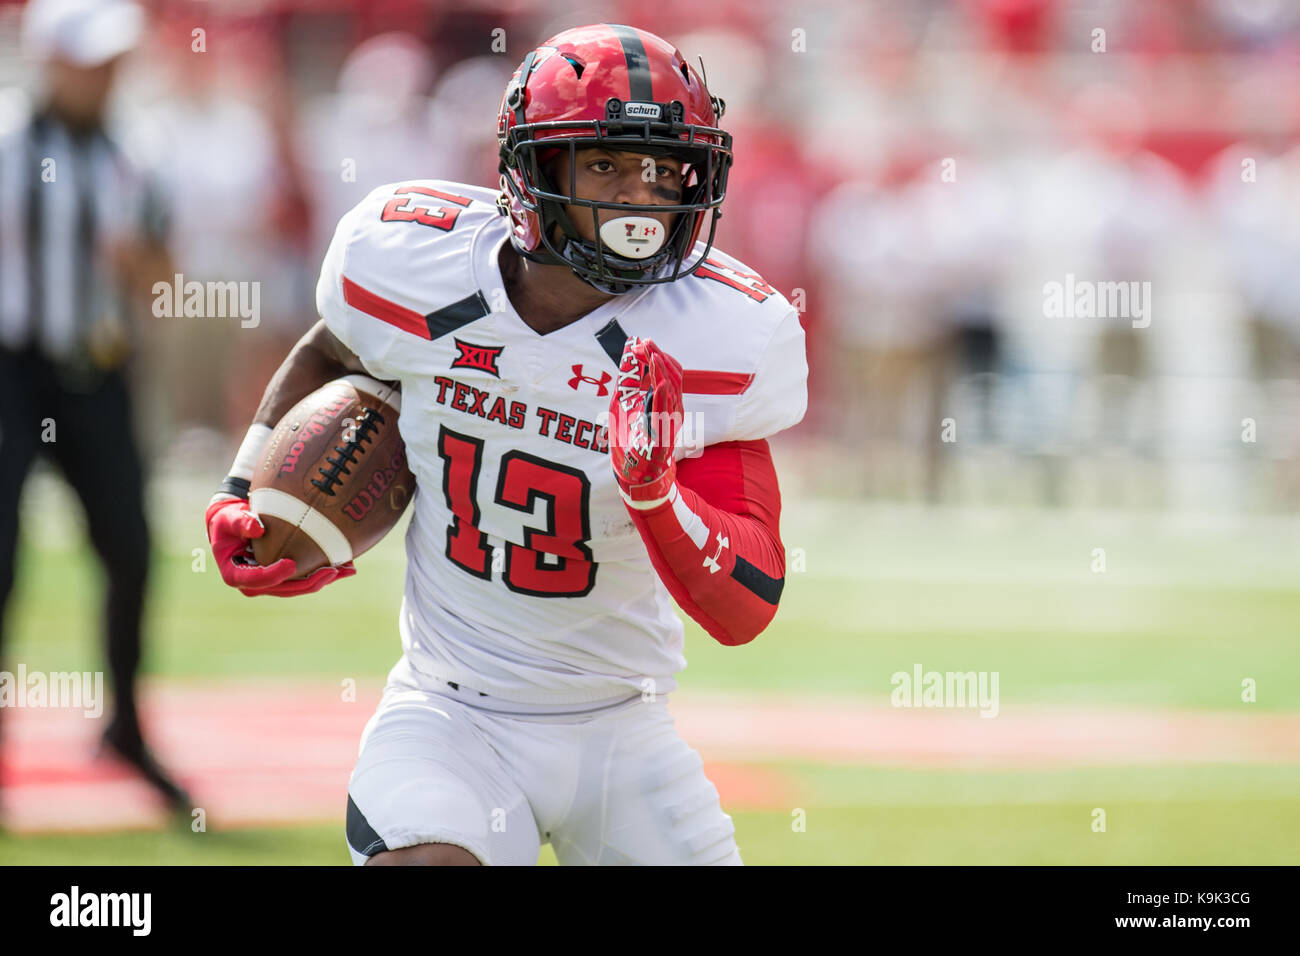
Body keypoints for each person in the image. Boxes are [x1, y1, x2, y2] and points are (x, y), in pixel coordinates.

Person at [205, 23, 806, 865]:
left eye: (664, 169)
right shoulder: (414, 261)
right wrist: (245, 487)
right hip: (452, 713)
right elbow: (336, 346)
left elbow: (748, 604)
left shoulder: (722, 338)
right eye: (608, 164)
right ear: (534, 172)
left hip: (621, 728)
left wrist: (655, 492)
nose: (643, 196)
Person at [0, 0, 189, 810]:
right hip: (9, 370)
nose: (105, 75)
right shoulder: (7, 144)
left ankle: (125, 724)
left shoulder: (133, 152)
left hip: (97, 369)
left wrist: (138, 260)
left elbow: (162, 283)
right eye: (89, 60)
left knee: (131, 546)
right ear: (49, 59)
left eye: (111, 60)